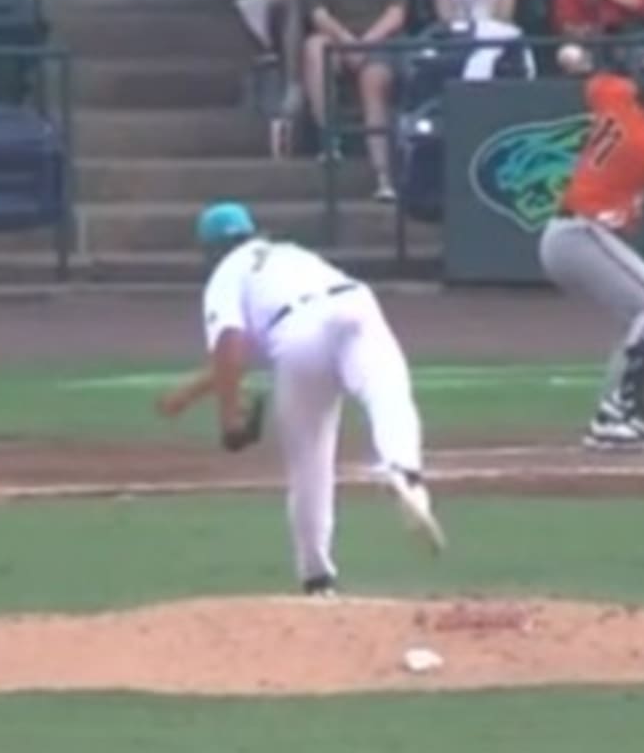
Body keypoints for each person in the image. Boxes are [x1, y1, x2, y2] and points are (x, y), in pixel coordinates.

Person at [155, 202, 446, 597]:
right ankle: (405, 471)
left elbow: (231, 345)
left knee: (310, 463)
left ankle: (317, 578)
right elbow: (236, 356)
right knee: (388, 394)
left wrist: (229, 418)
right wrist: (187, 395)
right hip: (355, 306)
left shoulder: (227, 273)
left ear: (209, 249)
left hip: (297, 337)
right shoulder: (289, 253)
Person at [538, 48, 644, 451]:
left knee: (642, 316)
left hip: (572, 234)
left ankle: (624, 411)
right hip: (582, 232)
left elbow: (595, 80)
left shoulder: (618, 94)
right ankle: (613, 414)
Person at [300, 0, 408, 201]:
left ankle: (383, 175)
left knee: (372, 82)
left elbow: (395, 12)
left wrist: (366, 43)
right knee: (314, 49)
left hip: (379, 41)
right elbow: (318, 14)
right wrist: (346, 40)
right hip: (338, 41)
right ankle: (329, 137)